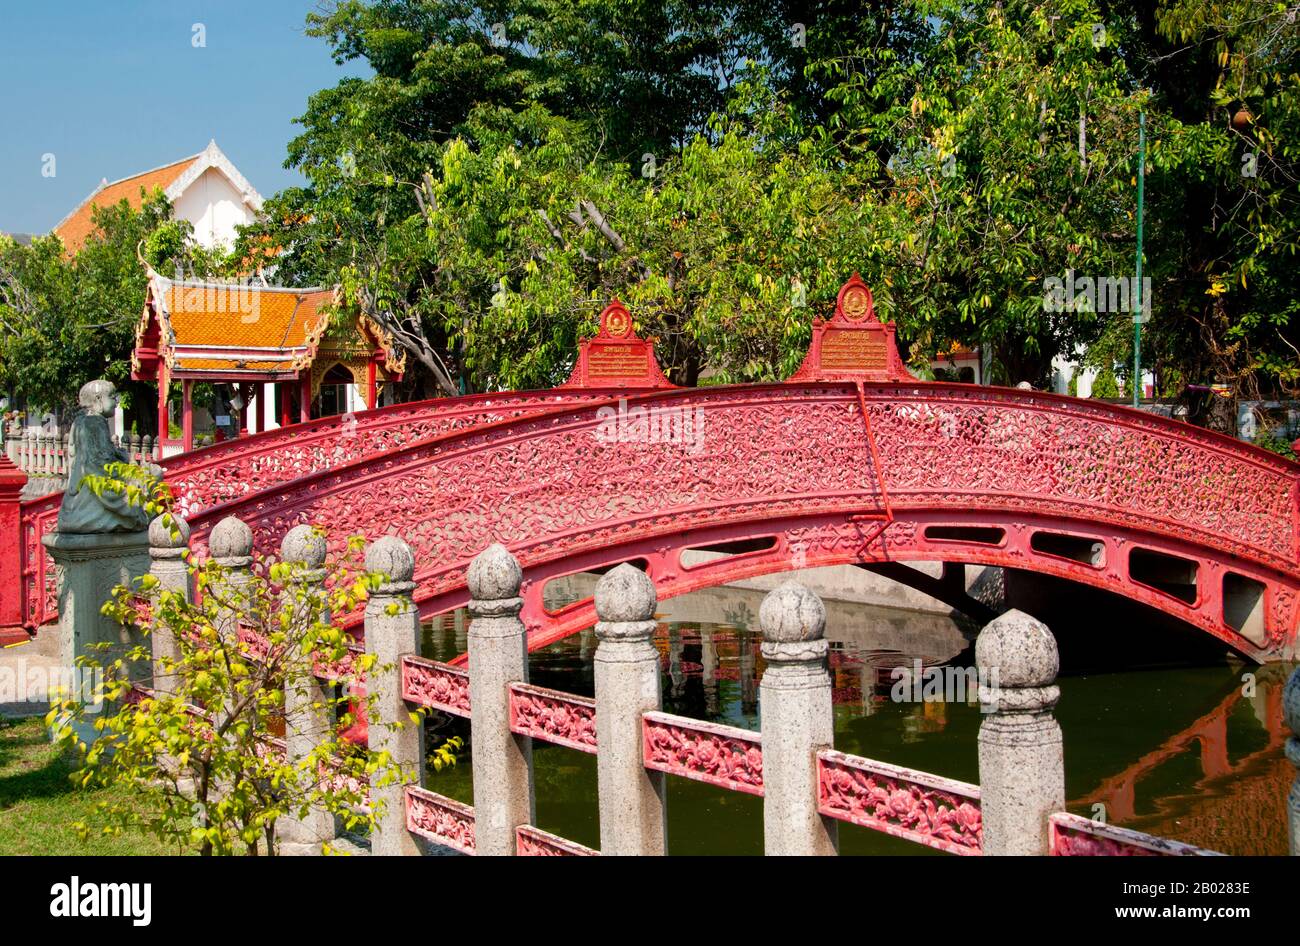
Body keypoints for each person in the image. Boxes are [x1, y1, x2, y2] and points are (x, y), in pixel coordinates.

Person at [57, 380, 157, 534]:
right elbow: (99, 466)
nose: (117, 402)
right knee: (153, 475)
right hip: (94, 495)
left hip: (80, 495)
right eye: (112, 397)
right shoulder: (93, 423)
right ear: (98, 400)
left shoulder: (82, 421)